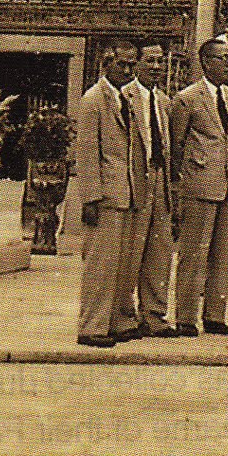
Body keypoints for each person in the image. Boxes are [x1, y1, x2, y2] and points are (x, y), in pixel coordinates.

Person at [170, 36, 228, 336]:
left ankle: (215, 315)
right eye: (223, 59)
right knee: (193, 253)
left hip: (227, 185)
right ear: (205, 62)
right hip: (199, 184)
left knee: (222, 254)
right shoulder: (187, 98)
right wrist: (182, 181)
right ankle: (186, 317)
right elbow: (176, 144)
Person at [74, 37, 144, 347]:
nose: (128, 71)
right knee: (100, 265)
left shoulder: (127, 98)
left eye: (132, 65)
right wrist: (90, 197)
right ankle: (92, 327)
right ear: (106, 64)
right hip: (104, 196)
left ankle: (116, 322)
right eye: (122, 64)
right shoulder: (93, 99)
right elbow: (87, 151)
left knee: (122, 266)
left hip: (126, 193)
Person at [118, 41, 176, 338]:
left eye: (160, 61)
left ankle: (154, 314)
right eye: (150, 61)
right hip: (135, 181)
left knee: (160, 250)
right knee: (131, 249)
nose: (156, 67)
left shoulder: (164, 101)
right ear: (136, 63)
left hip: (160, 180)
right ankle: (124, 315)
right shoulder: (123, 96)